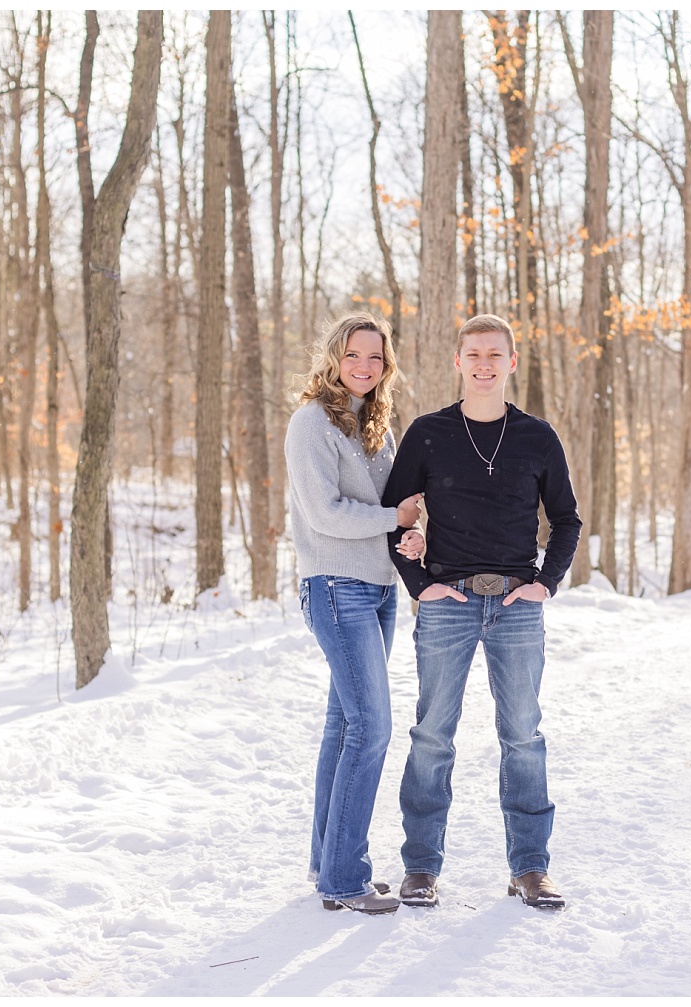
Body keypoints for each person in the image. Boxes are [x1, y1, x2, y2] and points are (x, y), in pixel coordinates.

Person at [382, 313, 582, 910]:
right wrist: (419, 584)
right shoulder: (427, 433)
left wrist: (545, 583)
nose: (485, 365)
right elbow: (393, 516)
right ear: (458, 361)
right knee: (432, 735)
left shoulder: (537, 437)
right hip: (449, 602)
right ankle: (420, 866)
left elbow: (567, 520)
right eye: (474, 355)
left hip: (518, 605)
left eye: (496, 355)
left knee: (522, 736)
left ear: (512, 362)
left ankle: (530, 867)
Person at [285, 313, 424, 915]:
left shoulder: (376, 428)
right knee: (372, 728)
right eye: (353, 356)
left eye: (375, 357)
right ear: (333, 358)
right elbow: (327, 513)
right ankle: (345, 877)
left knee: (344, 728)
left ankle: (328, 861)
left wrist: (413, 535)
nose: (364, 367)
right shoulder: (310, 422)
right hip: (336, 587)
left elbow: (392, 506)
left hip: (378, 588)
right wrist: (395, 521)